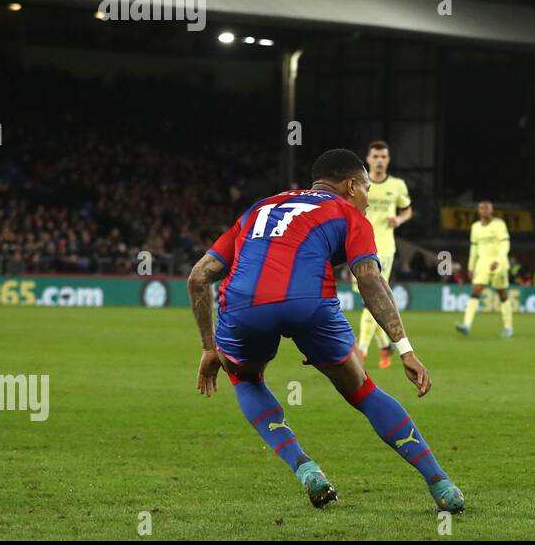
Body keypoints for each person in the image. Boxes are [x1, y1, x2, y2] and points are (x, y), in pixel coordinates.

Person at [189, 148, 464, 513]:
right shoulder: (349, 215)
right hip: (310, 304)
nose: (369, 199)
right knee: (362, 390)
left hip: (244, 307)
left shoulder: (260, 208)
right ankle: (440, 484)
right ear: (351, 186)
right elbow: (369, 281)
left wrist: (210, 349)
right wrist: (405, 349)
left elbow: (198, 277)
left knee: (246, 379)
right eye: (367, 188)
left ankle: (306, 469)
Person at [357, 139, 413, 368]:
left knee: (373, 297)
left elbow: (407, 209)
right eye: (375, 157)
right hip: (359, 247)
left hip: (385, 248)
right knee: (368, 301)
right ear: (368, 159)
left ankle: (360, 352)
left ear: (388, 160)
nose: (379, 160)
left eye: (383, 157)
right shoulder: (358, 183)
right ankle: (383, 347)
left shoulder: (397, 185)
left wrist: (398, 219)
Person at [455, 200, 514, 338]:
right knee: (475, 291)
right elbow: (474, 248)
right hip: (482, 263)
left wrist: (498, 260)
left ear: (491, 210)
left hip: (498, 262)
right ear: (479, 211)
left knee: (502, 294)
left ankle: (508, 327)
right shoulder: (475, 227)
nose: (485, 211)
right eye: (482, 209)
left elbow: (505, 245)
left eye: (487, 209)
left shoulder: (499, 224)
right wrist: (471, 266)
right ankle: (466, 325)